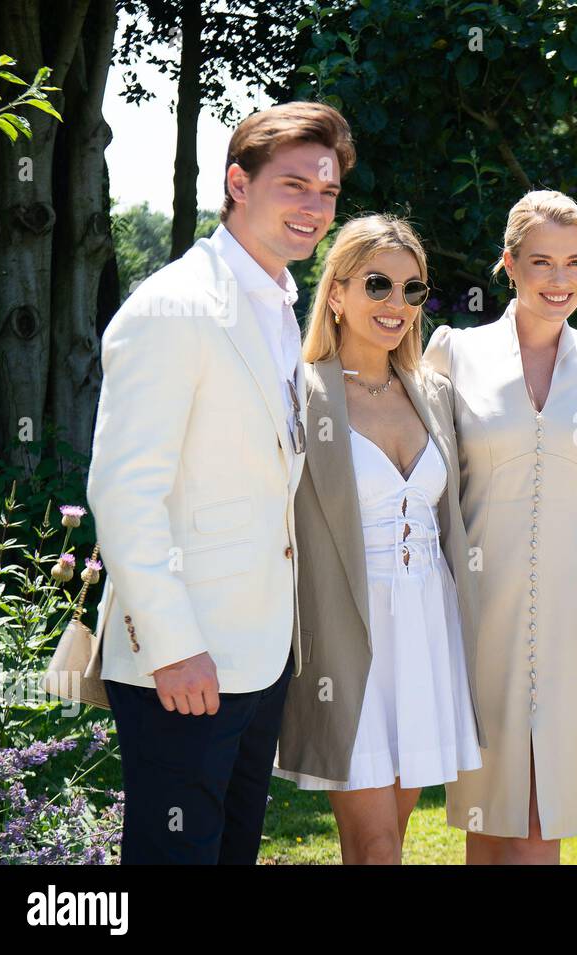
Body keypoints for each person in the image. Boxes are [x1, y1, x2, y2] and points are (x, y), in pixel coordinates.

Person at [88, 102, 355, 864]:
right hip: (186, 661)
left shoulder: (277, 306)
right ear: (238, 183)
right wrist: (173, 647)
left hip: (257, 656)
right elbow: (124, 490)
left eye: (327, 192)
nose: (313, 207)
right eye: (294, 184)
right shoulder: (175, 306)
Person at [421, 189, 577, 864]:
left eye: (575, 261)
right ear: (508, 263)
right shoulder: (453, 352)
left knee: (544, 812)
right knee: (487, 813)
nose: (560, 279)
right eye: (541, 261)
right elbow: (415, 475)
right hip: (477, 605)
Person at [272, 215, 483, 864]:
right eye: (378, 284)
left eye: (412, 290)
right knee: (371, 843)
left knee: (392, 835)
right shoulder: (302, 393)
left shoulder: (434, 393)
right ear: (335, 292)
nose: (397, 304)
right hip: (346, 640)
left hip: (430, 625)